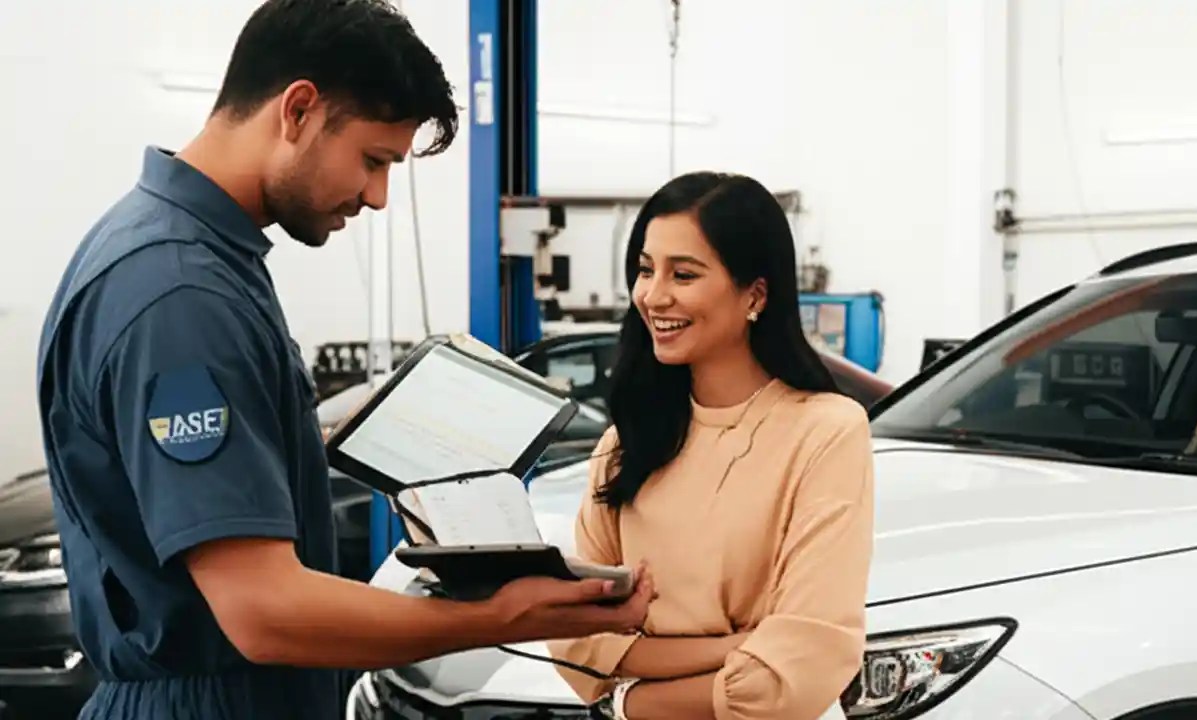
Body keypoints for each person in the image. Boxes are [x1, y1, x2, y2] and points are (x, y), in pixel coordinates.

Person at [33, 1, 652, 718]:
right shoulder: (181, 292)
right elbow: (263, 612)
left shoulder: (183, 255)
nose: (379, 197)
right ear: (297, 109)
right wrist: (508, 617)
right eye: (374, 160)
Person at [547, 172, 876, 719]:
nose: (653, 295)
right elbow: (579, 646)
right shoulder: (625, 443)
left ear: (755, 294)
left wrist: (629, 701)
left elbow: (794, 675)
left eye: (684, 274)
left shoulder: (827, 432)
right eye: (645, 269)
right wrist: (736, 647)